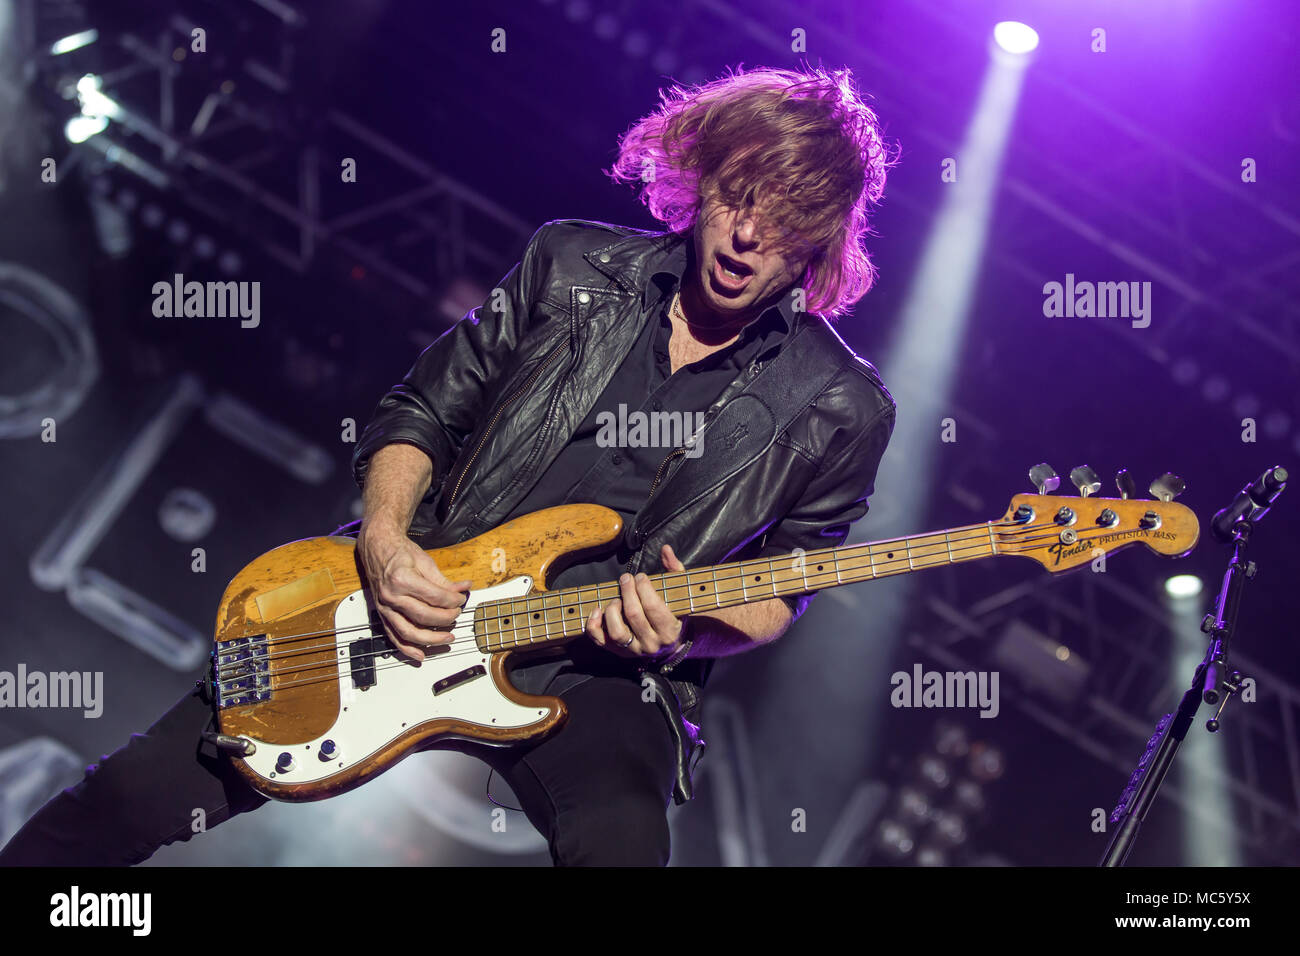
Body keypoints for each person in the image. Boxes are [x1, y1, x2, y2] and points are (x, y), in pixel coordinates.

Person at [0, 63, 895, 867]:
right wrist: (387, 545)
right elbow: (422, 410)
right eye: (737, 198)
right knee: (125, 801)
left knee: (622, 850)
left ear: (819, 242)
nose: (744, 238)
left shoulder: (841, 407)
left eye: (782, 226)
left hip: (605, 674)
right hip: (424, 585)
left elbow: (786, 587)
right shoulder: (572, 265)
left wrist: (687, 632)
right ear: (699, 177)